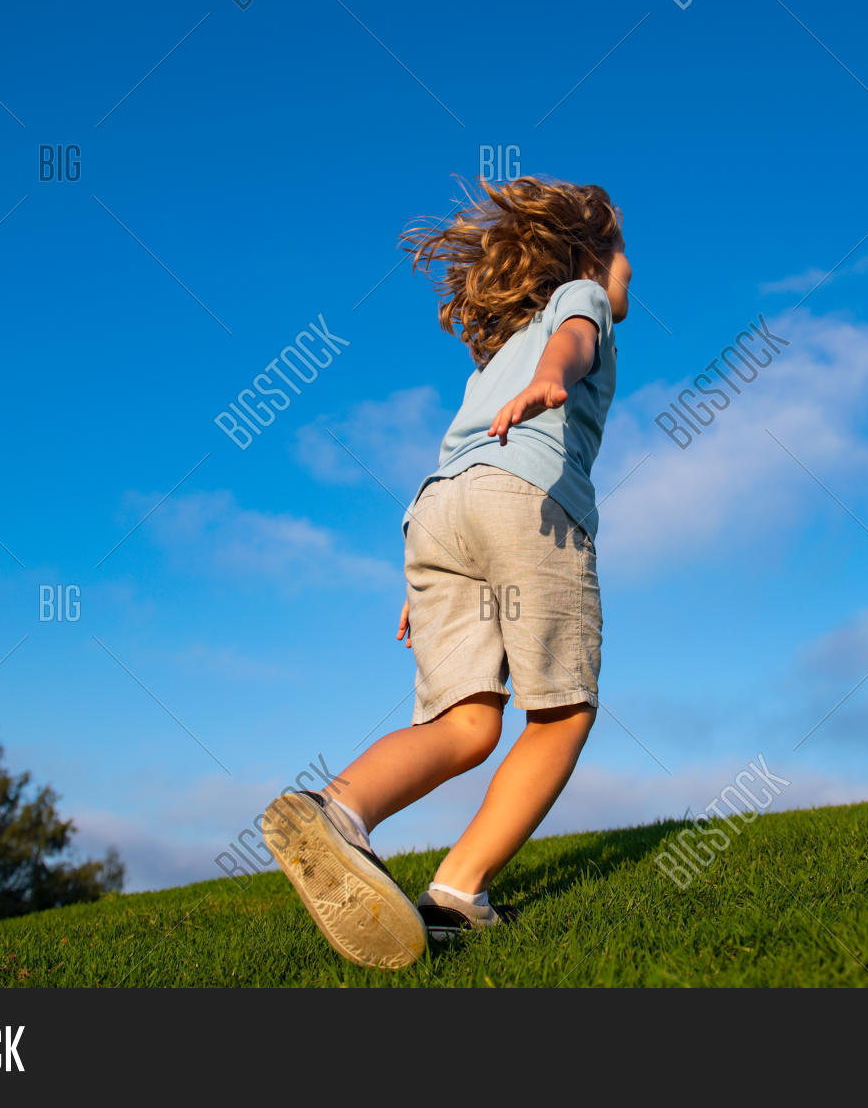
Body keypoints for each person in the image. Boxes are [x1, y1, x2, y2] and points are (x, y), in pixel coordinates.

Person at [262, 176, 632, 969]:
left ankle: (338, 809)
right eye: (623, 250)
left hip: (438, 512)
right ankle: (460, 891)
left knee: (464, 724)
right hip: (527, 502)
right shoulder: (579, 299)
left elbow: (459, 475)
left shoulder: (498, 354)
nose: (629, 268)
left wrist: (421, 581)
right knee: (562, 711)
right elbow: (576, 331)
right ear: (589, 257)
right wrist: (556, 376)